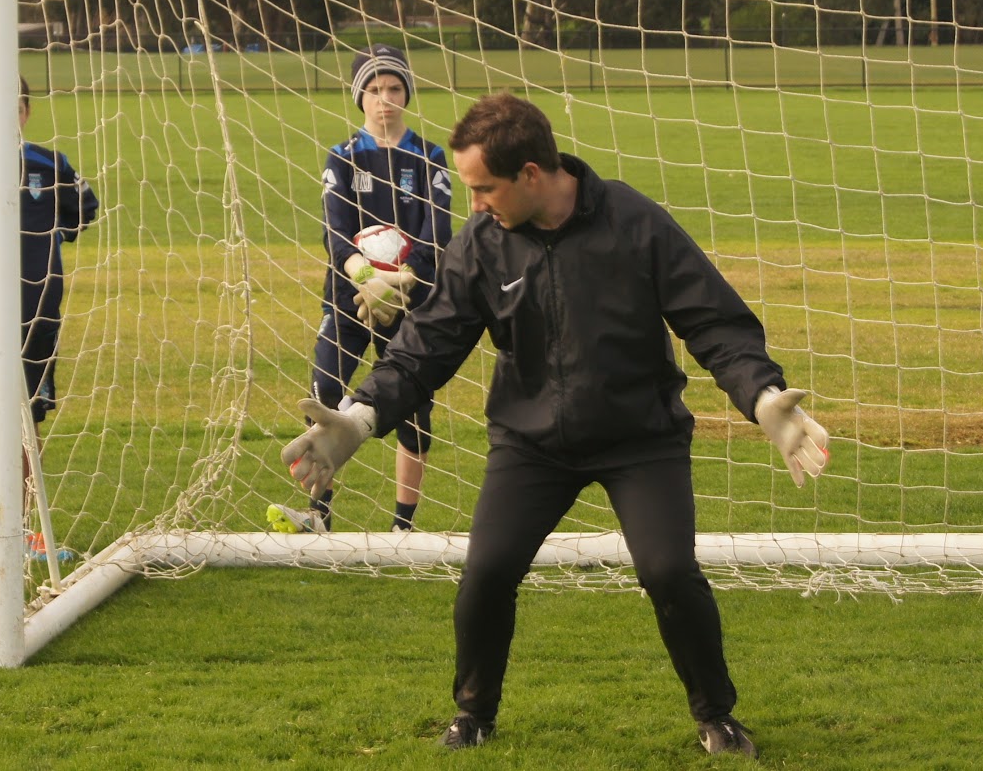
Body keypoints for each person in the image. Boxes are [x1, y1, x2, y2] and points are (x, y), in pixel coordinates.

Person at [280, 92, 831, 758]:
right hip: (531, 444)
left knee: (667, 572)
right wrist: (361, 418)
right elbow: (427, 345)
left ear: (533, 176)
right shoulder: (483, 244)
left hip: (640, 439)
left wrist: (763, 395)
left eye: (485, 188)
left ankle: (717, 715)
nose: (476, 203)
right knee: (486, 571)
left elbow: (713, 321)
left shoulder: (633, 222)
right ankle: (474, 713)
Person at [269, 44, 451, 535]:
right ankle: (317, 514)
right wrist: (369, 280)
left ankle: (403, 525)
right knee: (325, 392)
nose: (385, 99)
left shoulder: (431, 157)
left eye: (394, 88)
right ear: (360, 97)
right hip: (349, 297)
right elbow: (336, 231)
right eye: (374, 90)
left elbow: (439, 237)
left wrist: (399, 282)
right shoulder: (344, 157)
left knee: (411, 406)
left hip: (410, 300)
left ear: (407, 94)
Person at [0, 76, 98, 501]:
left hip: (36, 316)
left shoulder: (52, 166)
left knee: (29, 422)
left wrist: (49, 239)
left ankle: (29, 527)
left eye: (14, 107)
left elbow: (84, 210)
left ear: (26, 112)